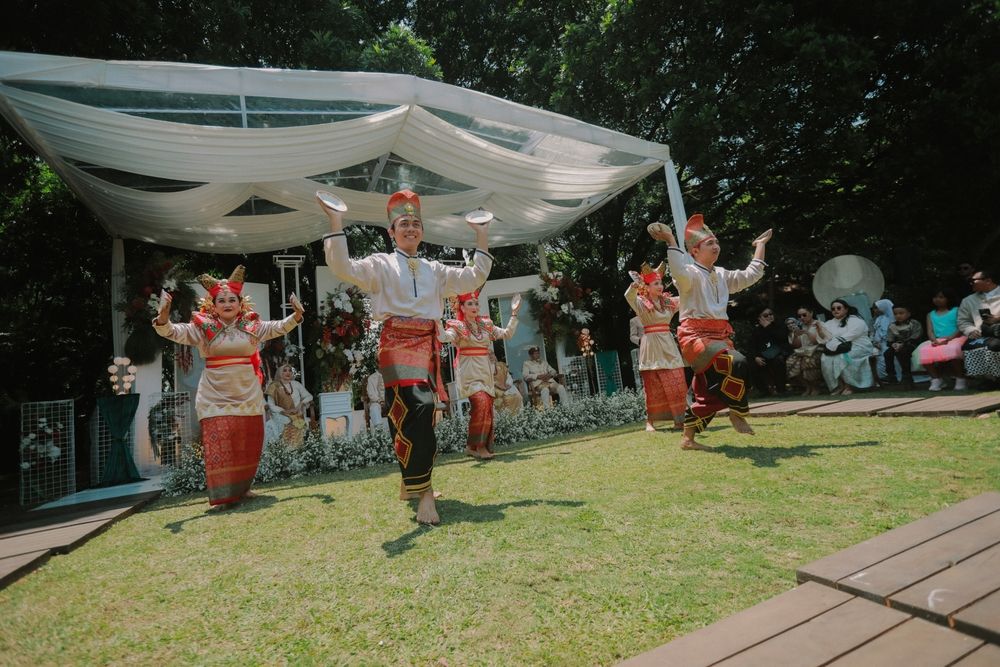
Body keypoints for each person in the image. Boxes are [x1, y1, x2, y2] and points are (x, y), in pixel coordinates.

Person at [320, 188, 492, 525]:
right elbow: (341, 266)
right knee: (418, 407)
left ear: (422, 231)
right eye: (403, 223)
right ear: (391, 231)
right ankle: (424, 494)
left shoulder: (435, 269)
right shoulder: (380, 264)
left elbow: (474, 276)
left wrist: (482, 235)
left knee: (416, 416)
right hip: (396, 344)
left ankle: (409, 482)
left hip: (428, 346)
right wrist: (335, 219)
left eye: (416, 223)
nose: (410, 228)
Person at [153, 266, 304, 508]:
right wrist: (163, 317)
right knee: (219, 441)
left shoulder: (252, 326)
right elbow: (173, 331)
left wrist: (296, 315)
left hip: (247, 392)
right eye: (221, 300)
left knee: (247, 441)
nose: (226, 303)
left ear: (240, 303)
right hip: (215, 393)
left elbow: (279, 326)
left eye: (231, 299)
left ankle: (243, 489)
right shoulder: (202, 327)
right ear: (213, 305)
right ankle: (223, 494)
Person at [649, 214, 771, 451]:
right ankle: (737, 412)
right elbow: (677, 270)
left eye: (716, 242)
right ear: (694, 251)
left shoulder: (722, 274)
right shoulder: (689, 275)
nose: (716, 246)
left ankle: (688, 439)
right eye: (710, 243)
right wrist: (671, 240)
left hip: (720, 337)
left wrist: (761, 246)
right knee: (737, 363)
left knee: (709, 393)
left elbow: (751, 275)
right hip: (695, 337)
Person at [439, 291, 521, 459]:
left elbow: (507, 334)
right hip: (469, 373)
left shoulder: (486, 324)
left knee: (485, 408)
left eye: (476, 303)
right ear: (462, 307)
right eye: (470, 303)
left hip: (485, 372)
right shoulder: (458, 326)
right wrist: (435, 320)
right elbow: (444, 337)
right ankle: (479, 446)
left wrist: (514, 313)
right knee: (482, 403)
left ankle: (471, 446)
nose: (474, 306)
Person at [625, 261, 687, 431]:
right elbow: (629, 297)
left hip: (668, 343)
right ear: (647, 286)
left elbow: (686, 297)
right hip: (651, 345)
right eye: (656, 283)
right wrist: (633, 286)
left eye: (661, 283)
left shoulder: (668, 302)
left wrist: (684, 283)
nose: (660, 286)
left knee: (677, 380)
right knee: (653, 385)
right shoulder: (640, 303)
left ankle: (679, 419)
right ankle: (650, 421)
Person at [816, 298, 876, 395]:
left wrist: (833, 344)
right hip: (839, 347)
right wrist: (820, 330)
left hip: (859, 346)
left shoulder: (856, 321)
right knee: (825, 358)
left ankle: (849, 386)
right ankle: (839, 386)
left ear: (846, 309)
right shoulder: (829, 323)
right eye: (833, 309)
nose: (836, 310)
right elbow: (825, 339)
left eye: (839, 308)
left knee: (843, 357)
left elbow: (851, 335)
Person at [918, 288, 968, 391]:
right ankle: (936, 379)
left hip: (956, 338)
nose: (937, 299)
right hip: (938, 340)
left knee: (952, 350)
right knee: (924, 351)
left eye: (941, 297)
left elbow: (960, 327)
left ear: (948, 298)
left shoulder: (956, 310)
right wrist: (933, 340)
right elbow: (930, 330)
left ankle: (960, 378)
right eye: (935, 297)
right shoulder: (930, 314)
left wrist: (950, 338)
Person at [957, 268, 1000, 382]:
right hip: (981, 334)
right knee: (969, 346)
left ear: (988, 281)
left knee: (995, 345)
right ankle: (987, 379)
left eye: (973, 280)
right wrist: (971, 330)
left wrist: (997, 319)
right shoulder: (968, 300)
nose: (970, 283)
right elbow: (963, 320)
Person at [264, 363, 314, 447]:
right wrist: (284, 411)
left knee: (298, 421)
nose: (288, 372)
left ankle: (297, 449)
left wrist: (300, 405)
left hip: (297, 413)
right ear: (280, 373)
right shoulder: (274, 386)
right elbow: (271, 405)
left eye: (290, 370)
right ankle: (285, 449)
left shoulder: (296, 384)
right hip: (281, 414)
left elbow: (309, 396)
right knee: (285, 421)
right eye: (285, 370)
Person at [749, 307, 791, 396]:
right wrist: (756, 357)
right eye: (765, 315)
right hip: (763, 355)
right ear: (760, 318)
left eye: (771, 314)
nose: (769, 316)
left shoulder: (780, 325)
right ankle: (764, 391)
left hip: (779, 353)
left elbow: (782, 338)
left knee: (778, 361)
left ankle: (781, 390)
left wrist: (768, 327)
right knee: (752, 365)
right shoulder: (757, 330)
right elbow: (752, 346)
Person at [785, 307, 824, 395]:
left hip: (817, 350)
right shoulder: (801, 326)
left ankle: (815, 387)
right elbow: (797, 345)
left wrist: (807, 332)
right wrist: (795, 335)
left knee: (807, 361)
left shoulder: (818, 324)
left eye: (804, 315)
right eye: (799, 316)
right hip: (804, 351)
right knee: (790, 362)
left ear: (811, 313)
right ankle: (807, 386)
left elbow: (817, 341)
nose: (802, 317)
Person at [884, 304, 923, 389]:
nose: (898, 316)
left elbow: (916, 337)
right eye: (895, 314)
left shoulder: (914, 323)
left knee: (904, 352)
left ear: (908, 314)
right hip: (897, 345)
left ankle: (906, 376)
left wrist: (902, 344)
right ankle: (891, 375)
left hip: (911, 344)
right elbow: (889, 339)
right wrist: (893, 344)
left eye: (901, 313)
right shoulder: (892, 326)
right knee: (887, 353)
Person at [491, 349, 524, 414]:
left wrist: (508, 385)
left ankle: (517, 417)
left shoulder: (502, 365)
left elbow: (509, 377)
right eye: (488, 355)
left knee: (517, 396)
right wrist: (497, 384)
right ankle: (504, 418)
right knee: (501, 398)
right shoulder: (484, 368)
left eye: (492, 354)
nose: (491, 356)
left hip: (506, 386)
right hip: (493, 388)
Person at [870, 298, 894, 385]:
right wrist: (874, 341)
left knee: (884, 360)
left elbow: (887, 332)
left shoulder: (890, 319)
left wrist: (881, 341)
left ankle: (886, 377)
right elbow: (876, 331)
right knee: (879, 360)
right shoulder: (879, 318)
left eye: (877, 308)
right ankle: (880, 378)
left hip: (885, 343)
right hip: (878, 344)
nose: (875, 310)